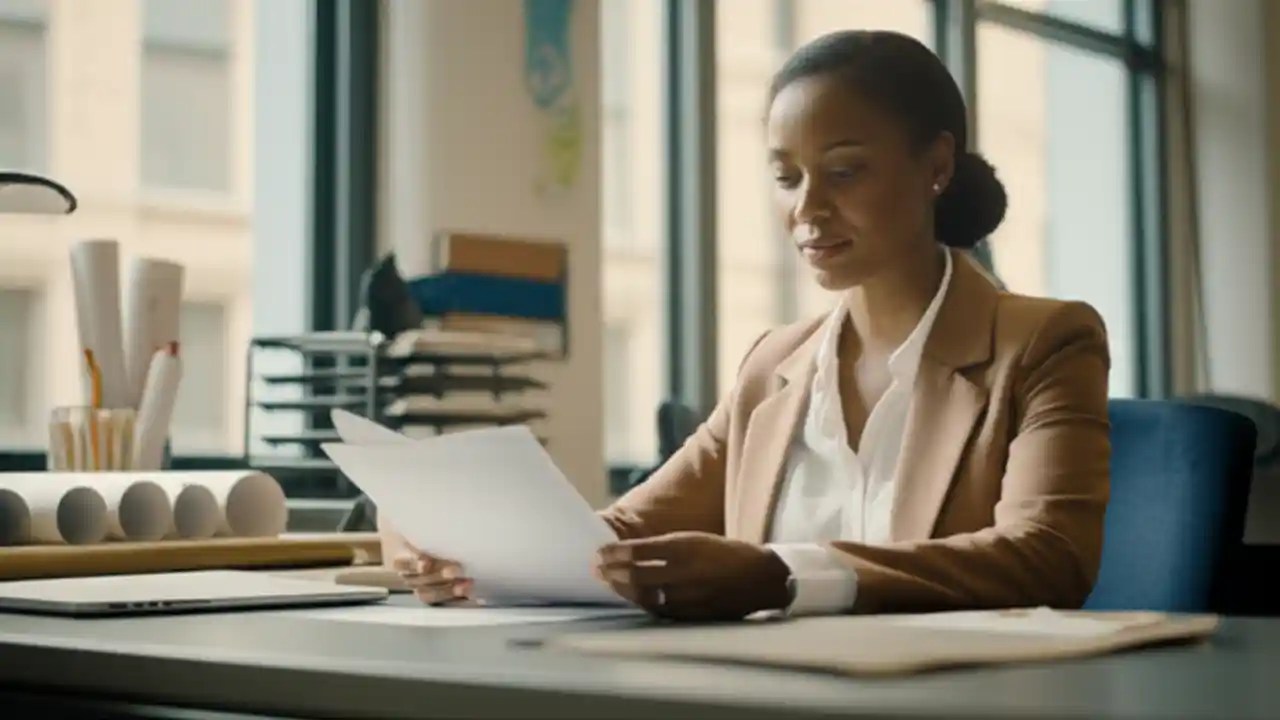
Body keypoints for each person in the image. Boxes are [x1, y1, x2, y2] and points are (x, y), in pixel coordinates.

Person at [384, 29, 1110, 621]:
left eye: (845, 172)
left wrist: (785, 575)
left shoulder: (1044, 343)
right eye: (787, 177)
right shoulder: (777, 364)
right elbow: (623, 537)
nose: (807, 209)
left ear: (938, 167)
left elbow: (1046, 555)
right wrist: (475, 557)